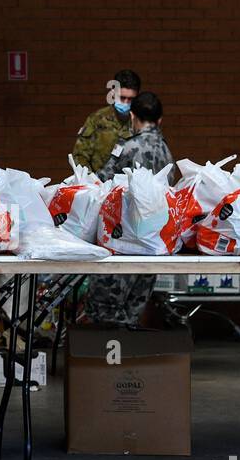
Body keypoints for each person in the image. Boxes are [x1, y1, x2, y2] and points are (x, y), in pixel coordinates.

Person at [83, 91, 174, 326]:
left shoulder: (126, 148)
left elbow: (100, 182)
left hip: (123, 243)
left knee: (104, 310)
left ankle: (107, 360)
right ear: (160, 120)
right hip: (153, 247)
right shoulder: (167, 153)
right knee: (132, 313)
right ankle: (125, 359)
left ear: (133, 116)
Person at [71, 69, 140, 174]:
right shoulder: (97, 120)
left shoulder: (141, 121)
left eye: (131, 99)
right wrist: (92, 180)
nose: (126, 103)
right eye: (122, 97)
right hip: (100, 185)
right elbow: (80, 155)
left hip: (131, 186)